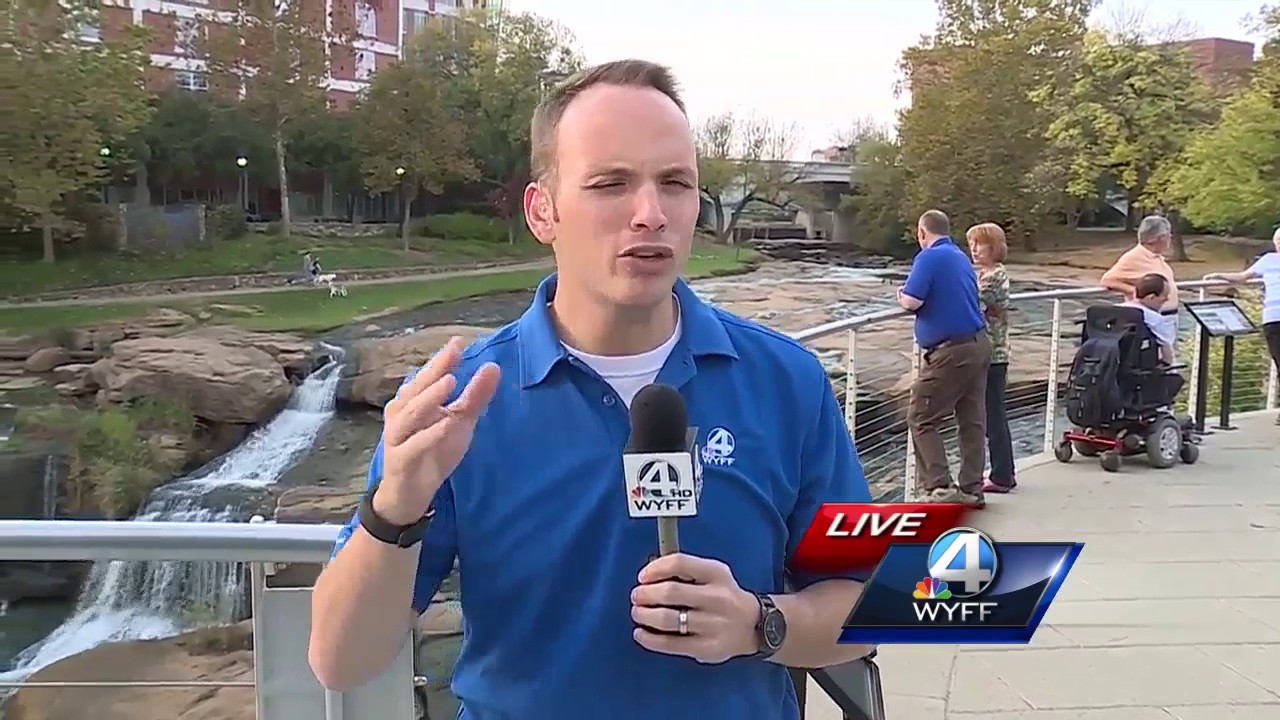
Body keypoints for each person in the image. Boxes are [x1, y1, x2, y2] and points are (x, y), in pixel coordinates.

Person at [307, 59, 873, 719]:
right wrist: (395, 507)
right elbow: (340, 661)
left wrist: (761, 622)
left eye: (675, 183)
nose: (650, 214)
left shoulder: (788, 382)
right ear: (543, 210)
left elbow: (868, 600)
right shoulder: (456, 402)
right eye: (611, 183)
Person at [897, 210, 990, 508]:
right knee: (971, 419)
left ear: (922, 233)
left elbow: (912, 301)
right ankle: (973, 489)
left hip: (951, 352)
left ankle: (939, 487)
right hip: (977, 344)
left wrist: (900, 294)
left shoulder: (929, 257)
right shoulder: (960, 256)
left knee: (921, 416)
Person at [1205, 227, 1280, 425]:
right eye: (1278, 240)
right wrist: (1219, 275)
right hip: (1273, 318)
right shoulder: (1268, 260)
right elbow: (1244, 276)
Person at [965, 223, 1015, 494]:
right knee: (992, 413)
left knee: (993, 415)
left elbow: (971, 303)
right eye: (971, 243)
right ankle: (1003, 471)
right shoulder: (986, 273)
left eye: (980, 244)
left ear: (994, 247)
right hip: (994, 352)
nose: (974, 249)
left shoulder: (993, 276)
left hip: (993, 354)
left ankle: (1002, 475)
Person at [1101, 215, 1180, 349]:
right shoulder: (1134, 257)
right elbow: (1108, 280)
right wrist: (1134, 292)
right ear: (1160, 237)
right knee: (1162, 361)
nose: (1170, 239)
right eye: (1168, 235)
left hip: (1168, 317)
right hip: (1153, 319)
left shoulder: (1157, 257)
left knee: (1168, 358)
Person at [1122, 273, 1178, 365]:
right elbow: (1167, 349)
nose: (1167, 299)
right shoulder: (1154, 318)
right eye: (1165, 295)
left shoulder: (1112, 311)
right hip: (1140, 370)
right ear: (1152, 297)